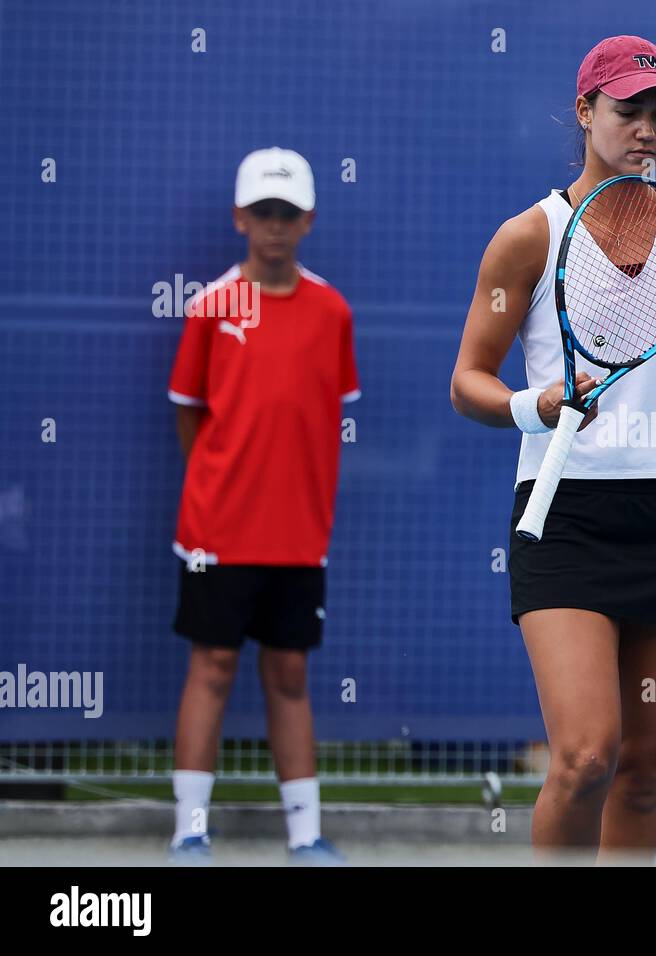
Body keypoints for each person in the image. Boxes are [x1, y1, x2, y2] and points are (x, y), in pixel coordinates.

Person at [450, 35, 656, 863]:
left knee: (640, 770)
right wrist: (539, 404)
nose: (647, 129)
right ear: (586, 111)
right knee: (586, 755)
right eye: (628, 110)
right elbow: (468, 383)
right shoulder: (526, 239)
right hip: (563, 517)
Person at [165, 147, 360, 865]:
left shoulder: (330, 310)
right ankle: (189, 829)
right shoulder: (212, 306)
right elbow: (190, 415)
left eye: (287, 214)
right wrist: (227, 483)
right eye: (262, 213)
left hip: (300, 536)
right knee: (211, 665)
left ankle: (305, 836)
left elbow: (325, 414)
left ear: (307, 220)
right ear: (240, 218)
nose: (274, 227)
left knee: (289, 674)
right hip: (217, 530)